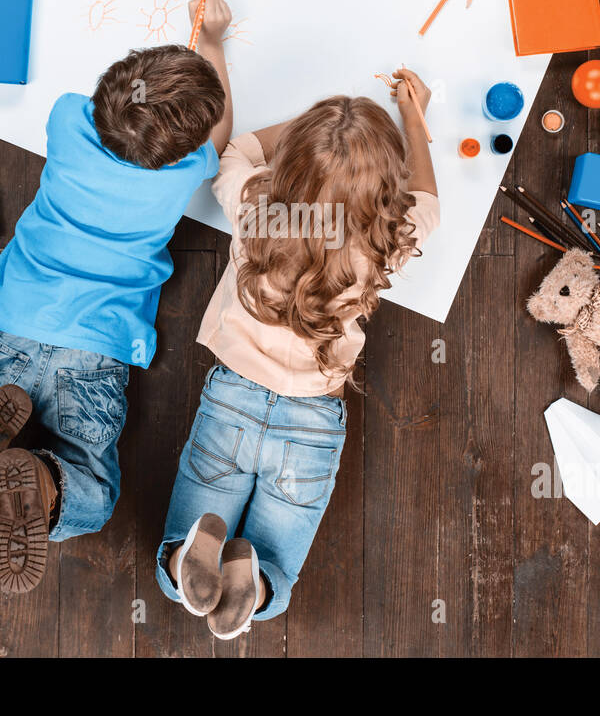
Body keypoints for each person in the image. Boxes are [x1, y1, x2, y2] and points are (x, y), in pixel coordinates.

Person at [0, 0, 234, 593]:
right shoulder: (187, 171)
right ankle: (42, 480)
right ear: (183, 152)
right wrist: (210, 42)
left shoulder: (69, 117)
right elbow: (222, 134)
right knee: (90, 496)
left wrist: (170, 72)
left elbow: (136, 107)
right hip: (96, 352)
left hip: (14, 322)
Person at [155, 70, 439, 637]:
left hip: (231, 401)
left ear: (291, 165)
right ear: (387, 184)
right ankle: (252, 586)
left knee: (181, 552)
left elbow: (237, 147)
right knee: (278, 570)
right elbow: (429, 195)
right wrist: (411, 117)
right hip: (311, 419)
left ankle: (190, 558)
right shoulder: (391, 234)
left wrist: (321, 126)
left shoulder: (257, 207)